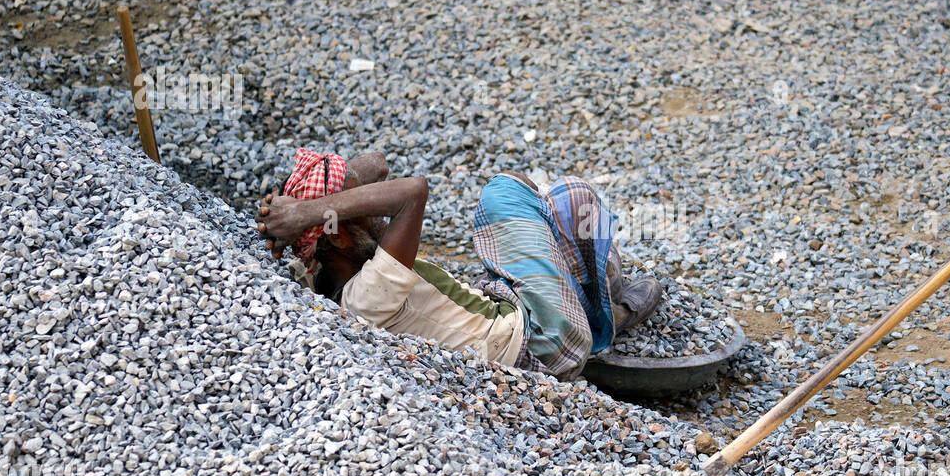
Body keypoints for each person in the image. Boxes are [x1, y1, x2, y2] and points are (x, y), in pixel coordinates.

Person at [255, 149, 661, 380]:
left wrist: (297, 210)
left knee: (565, 205)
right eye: (369, 214)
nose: (380, 217)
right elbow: (412, 192)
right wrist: (309, 214)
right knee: (507, 193)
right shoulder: (364, 298)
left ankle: (598, 309)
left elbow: (375, 163)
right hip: (544, 344)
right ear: (340, 237)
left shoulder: (328, 264)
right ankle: (605, 319)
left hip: (511, 309)